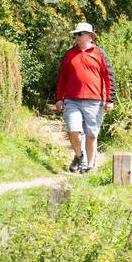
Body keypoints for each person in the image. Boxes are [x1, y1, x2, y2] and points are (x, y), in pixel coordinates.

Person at [54, 22, 116, 173]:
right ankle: (78, 156)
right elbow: (62, 77)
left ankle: (90, 166)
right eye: (76, 34)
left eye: (80, 34)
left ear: (89, 36)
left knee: (91, 134)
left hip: (94, 101)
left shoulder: (100, 54)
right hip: (72, 100)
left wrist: (109, 99)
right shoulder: (69, 54)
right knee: (73, 130)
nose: (77, 37)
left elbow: (109, 77)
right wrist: (59, 98)